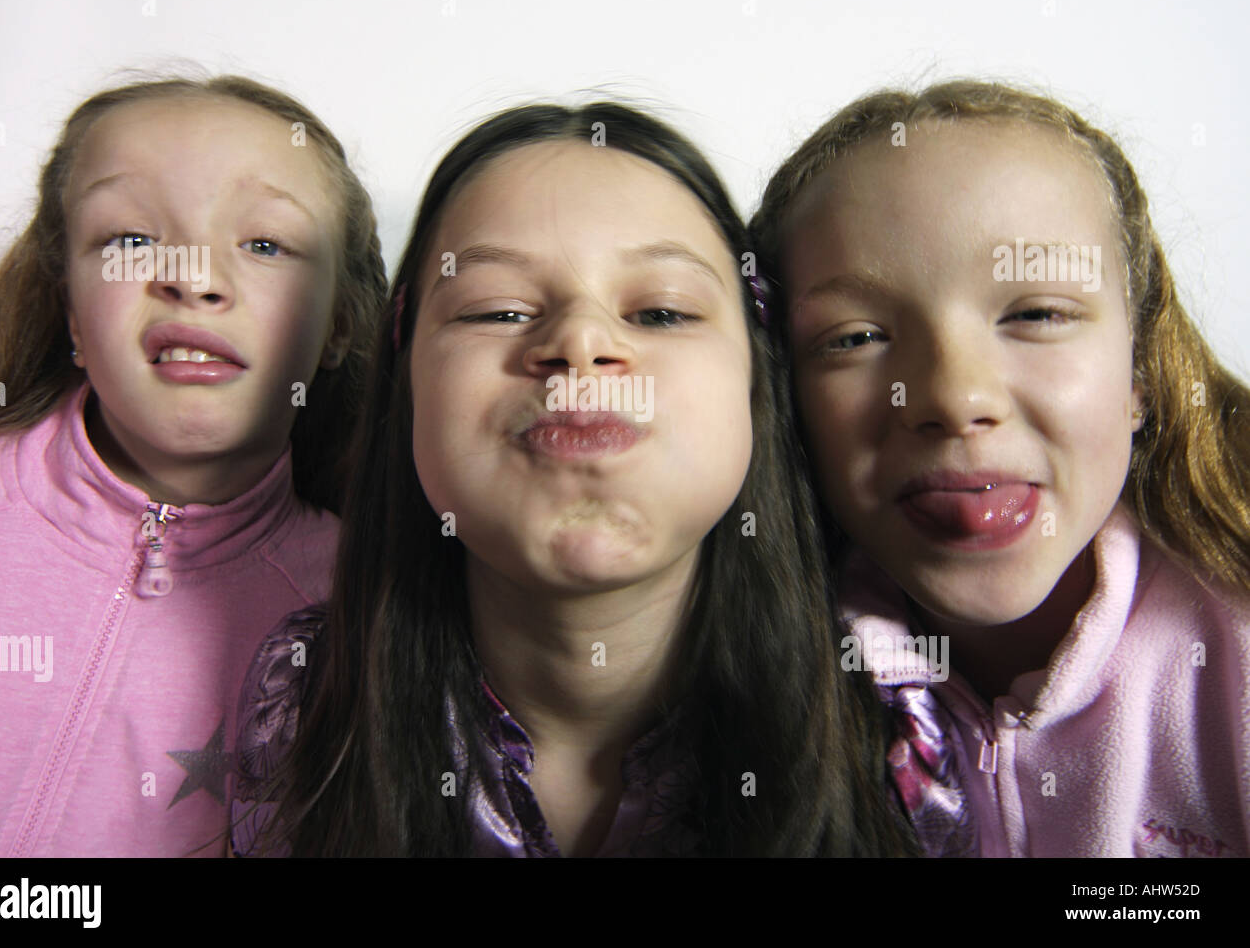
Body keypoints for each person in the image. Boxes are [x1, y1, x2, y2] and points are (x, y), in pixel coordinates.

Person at [231, 101, 917, 857]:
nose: (582, 343)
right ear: (406, 379)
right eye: (497, 309)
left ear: (758, 380)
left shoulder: (900, 738)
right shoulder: (300, 708)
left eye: (660, 311)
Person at [750, 80, 1250, 857]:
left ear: (1141, 373)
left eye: (1036, 314)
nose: (955, 397)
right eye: (854, 337)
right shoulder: (757, 670)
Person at [0, 74, 387, 855]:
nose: (192, 277)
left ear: (339, 325)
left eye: (263, 244)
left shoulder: (368, 611)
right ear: (71, 313)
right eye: (131, 239)